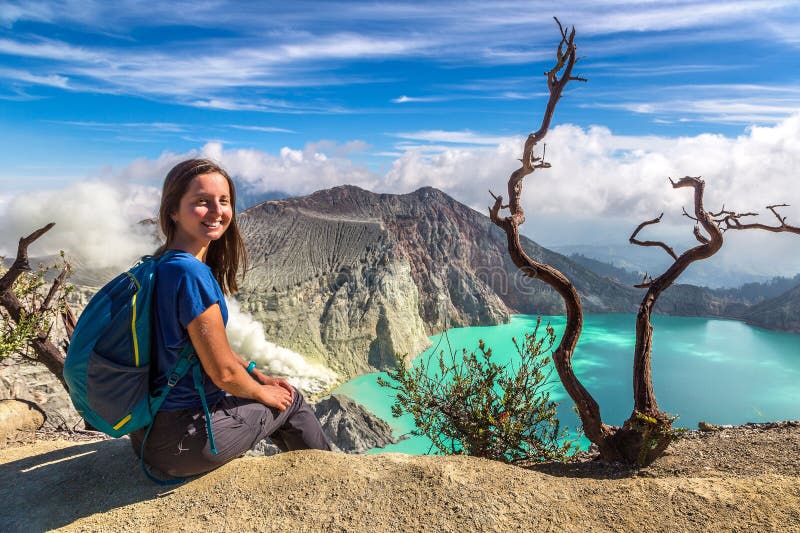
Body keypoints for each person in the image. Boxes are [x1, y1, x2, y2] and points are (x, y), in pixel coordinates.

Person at [130, 158, 330, 478]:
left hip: (148, 433)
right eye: (201, 201)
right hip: (184, 441)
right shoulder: (190, 274)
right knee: (291, 402)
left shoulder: (160, 264)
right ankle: (328, 480)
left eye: (224, 201)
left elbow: (210, 350)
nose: (217, 211)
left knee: (272, 397)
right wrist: (263, 392)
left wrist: (258, 376)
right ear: (173, 211)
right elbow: (223, 373)